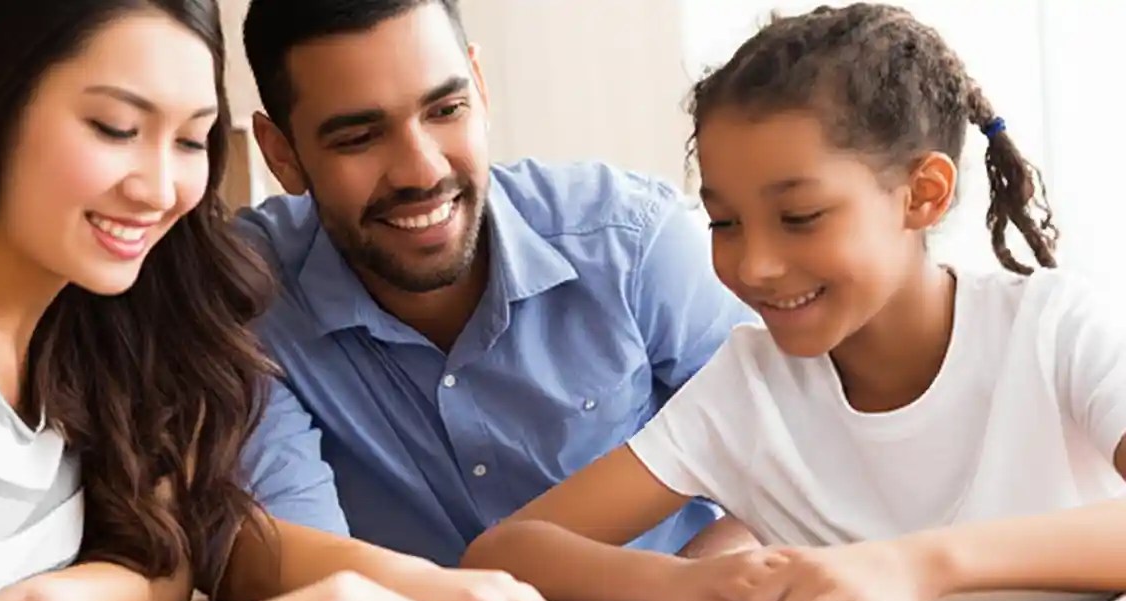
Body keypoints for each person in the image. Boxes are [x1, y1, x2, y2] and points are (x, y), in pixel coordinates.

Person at [0, 1, 599, 601]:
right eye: (114, 127)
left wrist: (414, 584)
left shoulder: (105, 314)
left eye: (190, 140)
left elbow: (170, 556)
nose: (160, 188)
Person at [462, 2, 1126, 601]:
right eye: (723, 223)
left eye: (801, 217)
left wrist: (921, 565)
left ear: (923, 195)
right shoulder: (747, 389)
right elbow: (504, 555)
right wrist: (670, 584)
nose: (755, 265)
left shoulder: (1053, 329)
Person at [235, 0, 755, 567]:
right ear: (281, 153)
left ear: (479, 89)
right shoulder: (249, 293)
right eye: (359, 137)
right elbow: (284, 560)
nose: (423, 171)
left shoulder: (630, 241)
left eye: (446, 109)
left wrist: (686, 592)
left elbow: (796, 467)